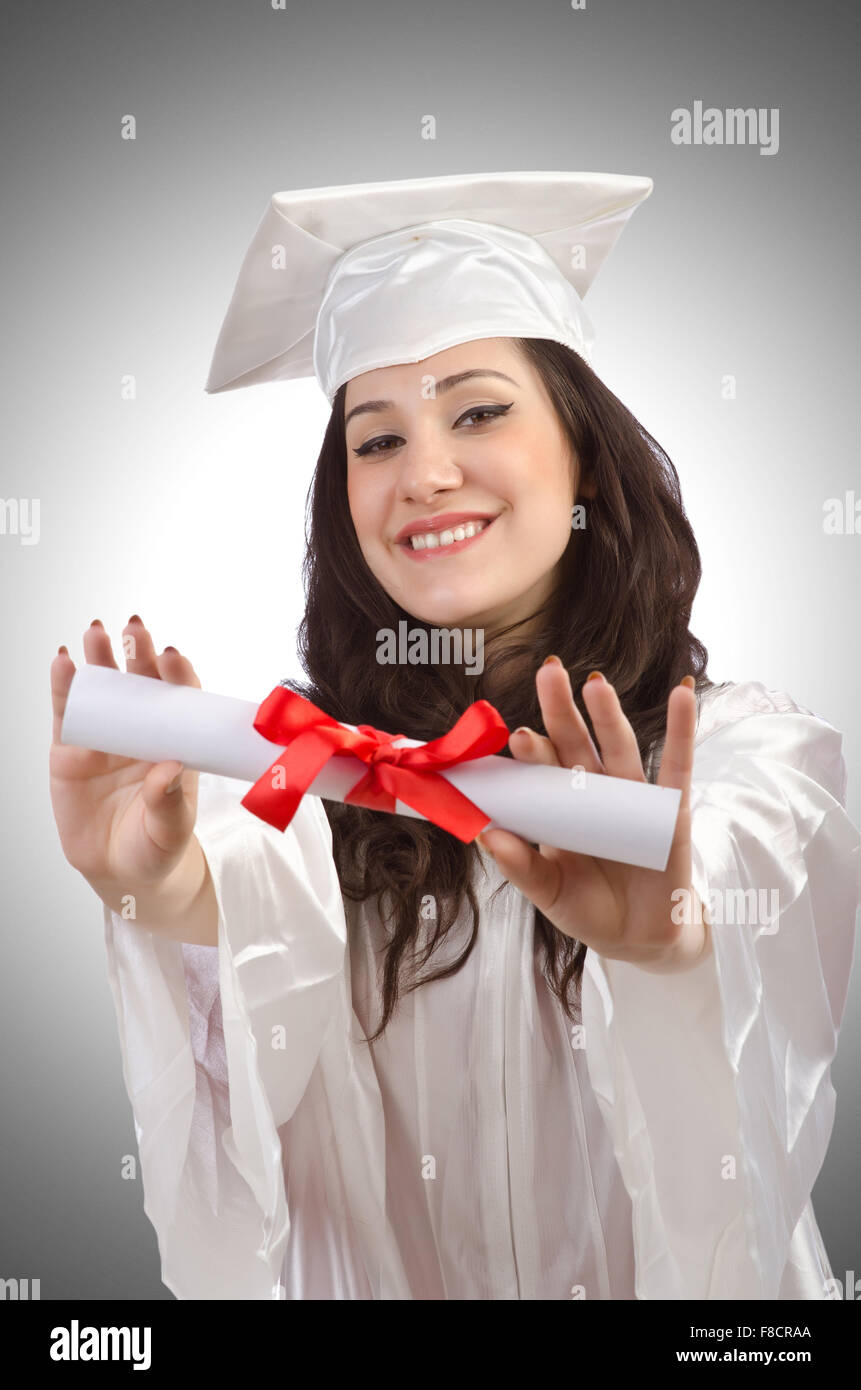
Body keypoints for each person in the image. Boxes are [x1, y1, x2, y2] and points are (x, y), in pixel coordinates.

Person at [49, 172, 861, 1300]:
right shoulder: (334, 780)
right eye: (375, 440)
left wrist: (669, 937)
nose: (425, 474)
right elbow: (253, 907)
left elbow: (749, 868)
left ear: (583, 451)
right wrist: (148, 883)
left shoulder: (738, 754)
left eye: (478, 411)